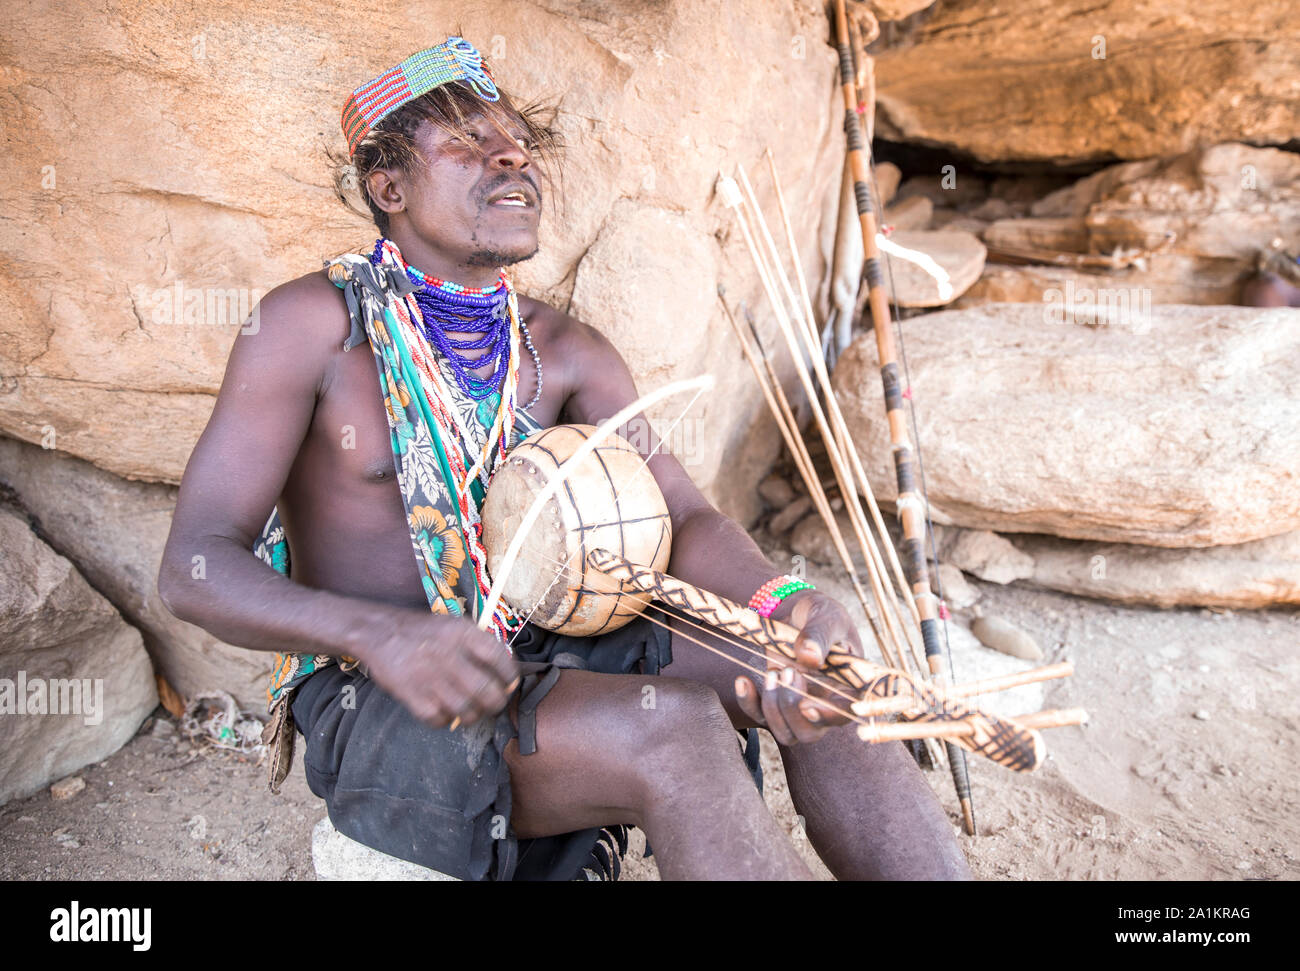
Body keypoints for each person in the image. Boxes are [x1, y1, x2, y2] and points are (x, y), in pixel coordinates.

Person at [157, 36, 970, 881]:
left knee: (825, 677)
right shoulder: (312, 327)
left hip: (562, 647)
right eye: (467, 142)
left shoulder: (564, 350)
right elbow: (193, 565)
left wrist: (789, 602)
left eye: (516, 142)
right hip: (391, 695)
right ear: (387, 186)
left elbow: (684, 516)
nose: (509, 156)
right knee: (678, 730)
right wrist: (382, 633)